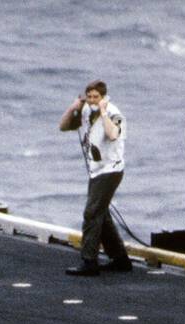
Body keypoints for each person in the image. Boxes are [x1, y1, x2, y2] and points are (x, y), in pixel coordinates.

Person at [59, 80, 133, 277]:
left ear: (103, 97)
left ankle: (89, 261)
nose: (92, 100)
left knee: (91, 213)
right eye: (89, 97)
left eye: (96, 97)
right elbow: (64, 126)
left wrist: (103, 112)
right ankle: (120, 259)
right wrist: (74, 106)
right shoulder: (85, 111)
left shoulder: (115, 114)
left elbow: (112, 134)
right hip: (96, 170)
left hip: (110, 170)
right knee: (101, 213)